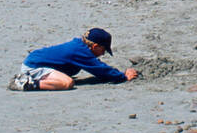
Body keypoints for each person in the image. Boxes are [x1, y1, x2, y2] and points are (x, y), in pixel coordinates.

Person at [8, 28, 138, 91]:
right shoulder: (80, 52)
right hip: (33, 67)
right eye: (103, 50)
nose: (103, 54)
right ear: (95, 46)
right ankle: (25, 83)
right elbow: (101, 70)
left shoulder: (80, 46)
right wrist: (123, 77)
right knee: (67, 83)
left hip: (35, 61)